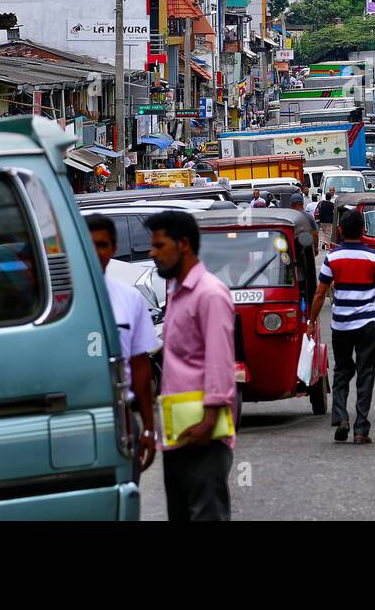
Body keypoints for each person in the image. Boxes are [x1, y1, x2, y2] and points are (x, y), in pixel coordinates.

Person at [145, 209, 235, 521]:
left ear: (183, 244)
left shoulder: (209, 293)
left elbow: (220, 358)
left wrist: (209, 418)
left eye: (159, 246)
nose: (152, 253)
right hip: (179, 428)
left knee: (206, 514)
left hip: (203, 431)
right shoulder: (176, 291)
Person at [308, 210, 375, 444]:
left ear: (341, 231)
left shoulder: (333, 259)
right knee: (365, 375)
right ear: (363, 231)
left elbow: (319, 294)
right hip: (367, 324)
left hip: (341, 325)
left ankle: (341, 417)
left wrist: (311, 322)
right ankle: (361, 429)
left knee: (341, 371)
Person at [86, 214, 157, 480]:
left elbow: (140, 367)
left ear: (113, 249)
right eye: (89, 244)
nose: (96, 252)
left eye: (102, 245)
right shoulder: (59, 301)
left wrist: (149, 428)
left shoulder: (130, 300)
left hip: (122, 418)